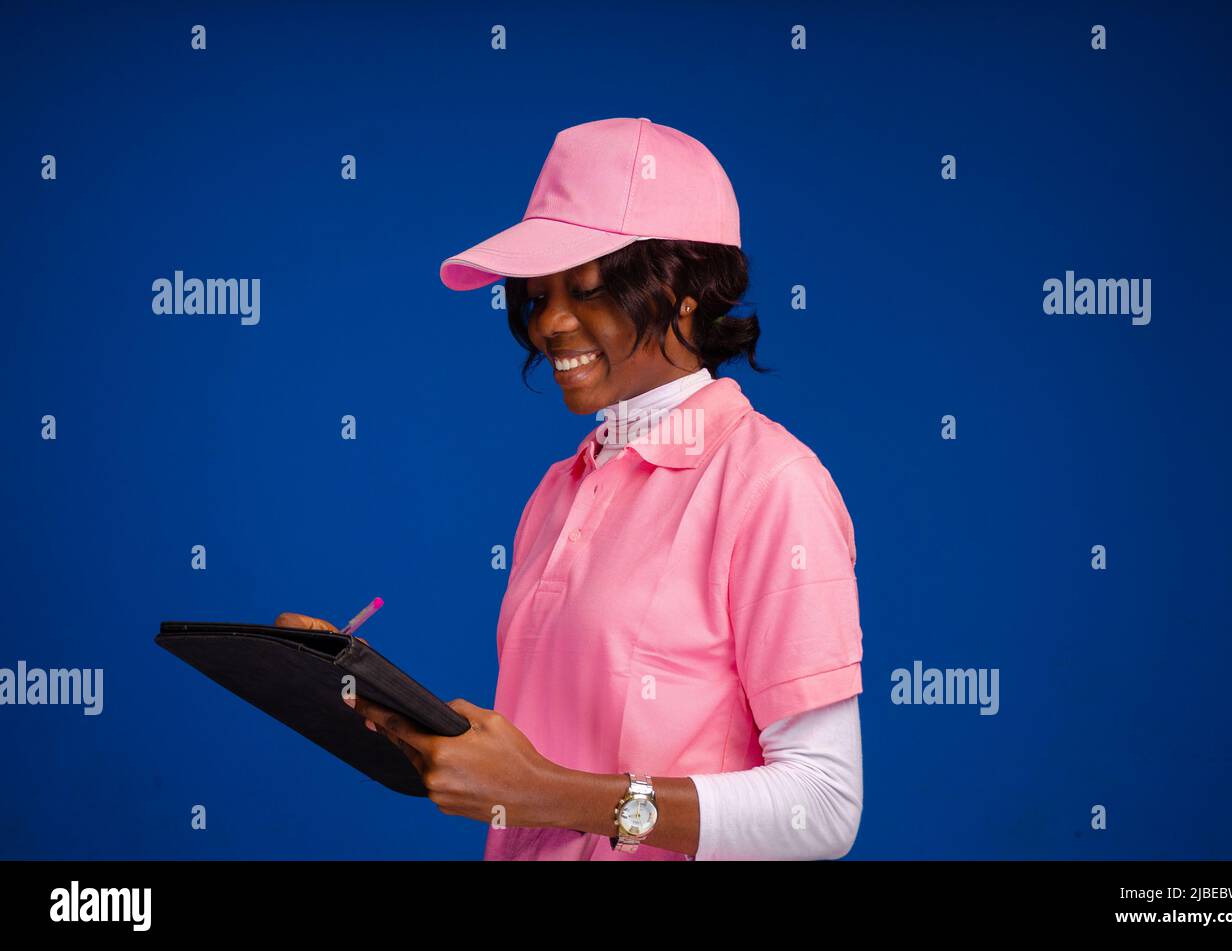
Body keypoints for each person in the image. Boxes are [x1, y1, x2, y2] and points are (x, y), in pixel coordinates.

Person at [276, 117, 865, 860]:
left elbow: (824, 806)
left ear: (684, 291)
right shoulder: (558, 490)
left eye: (586, 290)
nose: (551, 323)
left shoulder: (771, 484)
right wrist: (386, 710)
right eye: (537, 293)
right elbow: (531, 765)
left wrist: (549, 792)